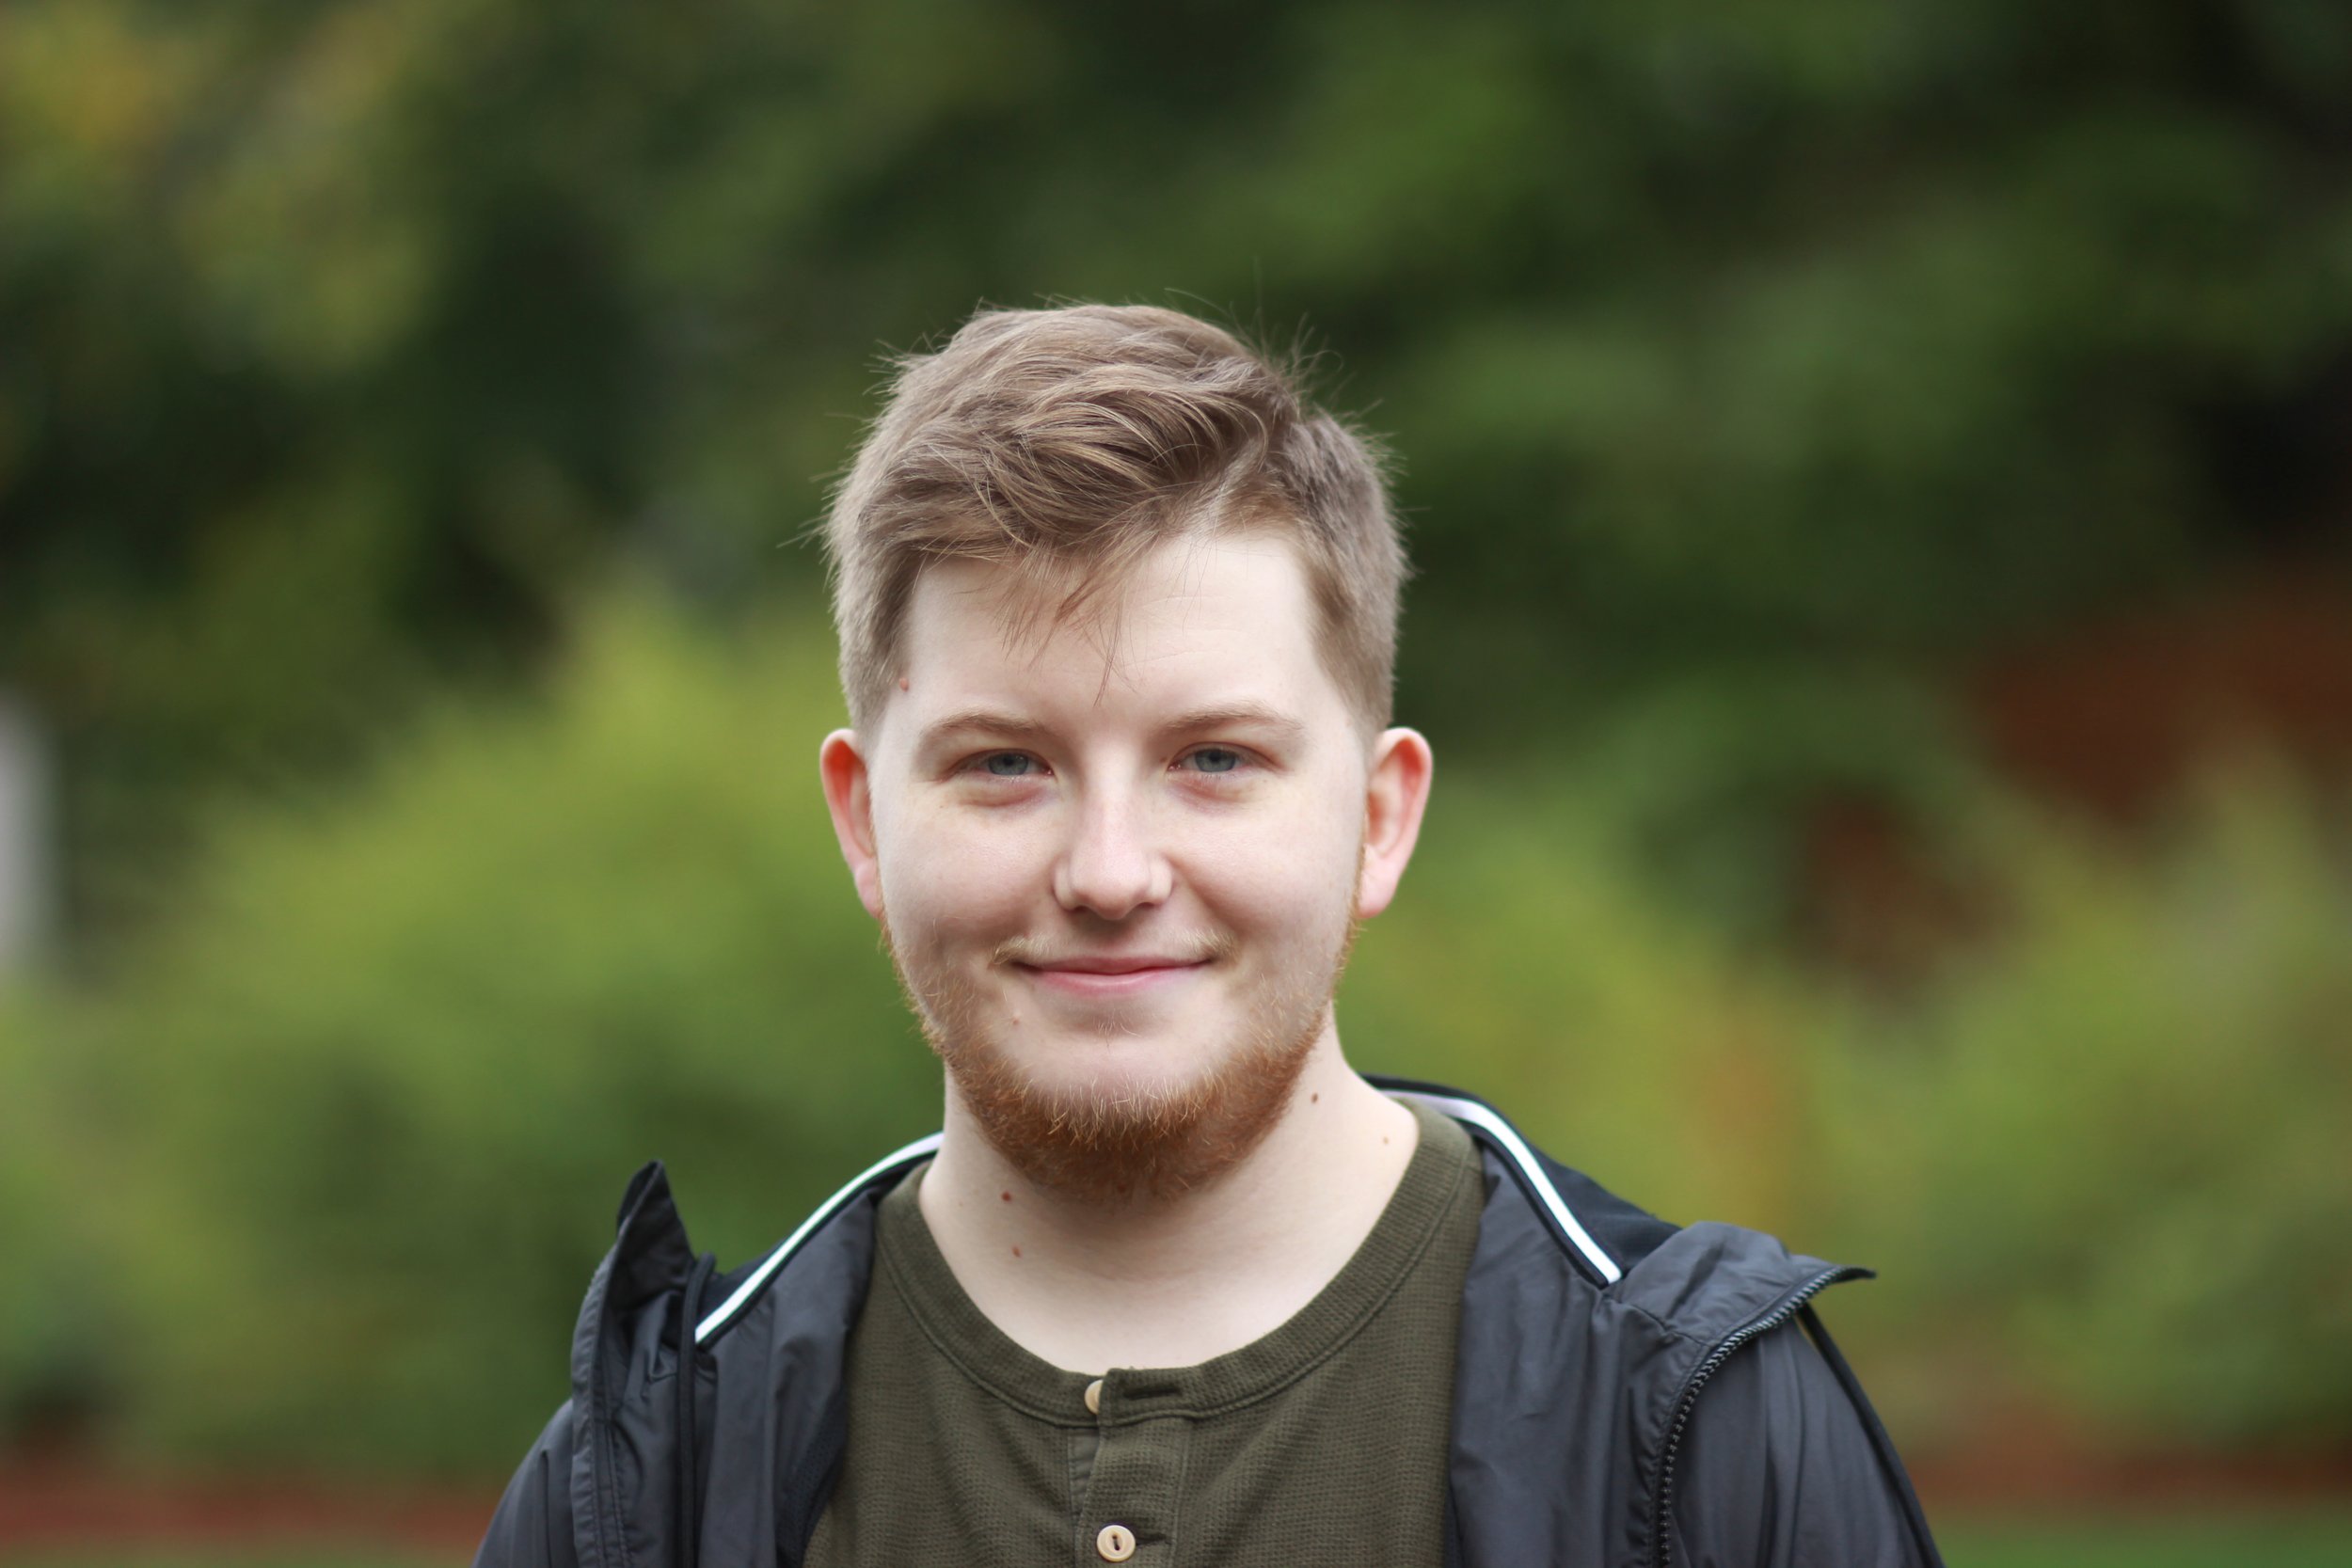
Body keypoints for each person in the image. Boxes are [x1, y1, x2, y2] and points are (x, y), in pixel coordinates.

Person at [472, 305, 1944, 1568]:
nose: (1111, 872)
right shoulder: (653, 1476)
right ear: (864, 823)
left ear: (1378, 818)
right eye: (1005, 764)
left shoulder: (1701, 1424)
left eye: (1215, 760)